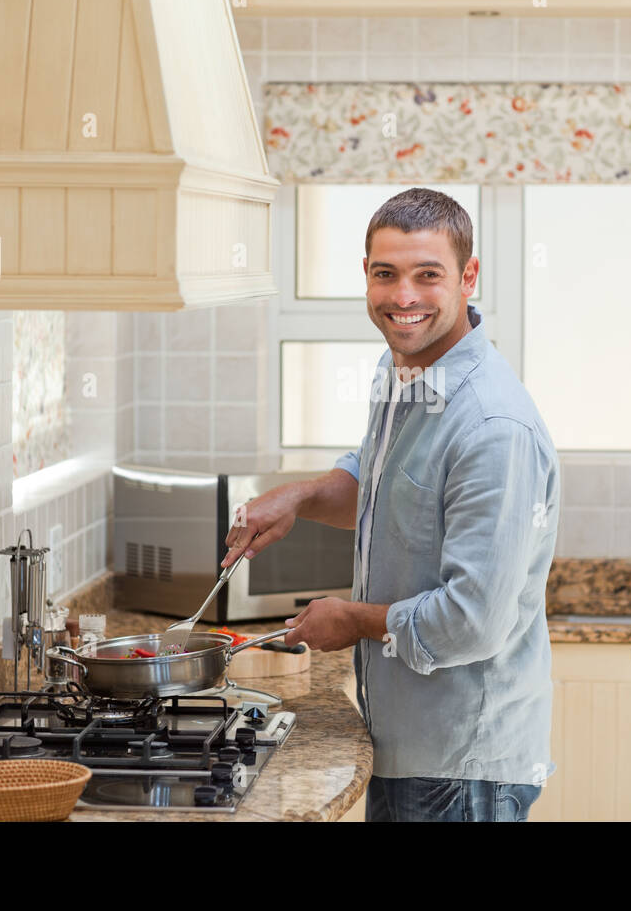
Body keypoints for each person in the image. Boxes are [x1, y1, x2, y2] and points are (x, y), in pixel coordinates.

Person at [221, 187, 559, 822]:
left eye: (427, 275)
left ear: (468, 277)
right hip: (408, 744)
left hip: (460, 764)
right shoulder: (404, 368)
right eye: (386, 274)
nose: (403, 297)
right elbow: (383, 486)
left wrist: (351, 621)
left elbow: (471, 621)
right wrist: (299, 496)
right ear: (367, 277)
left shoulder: (491, 427)